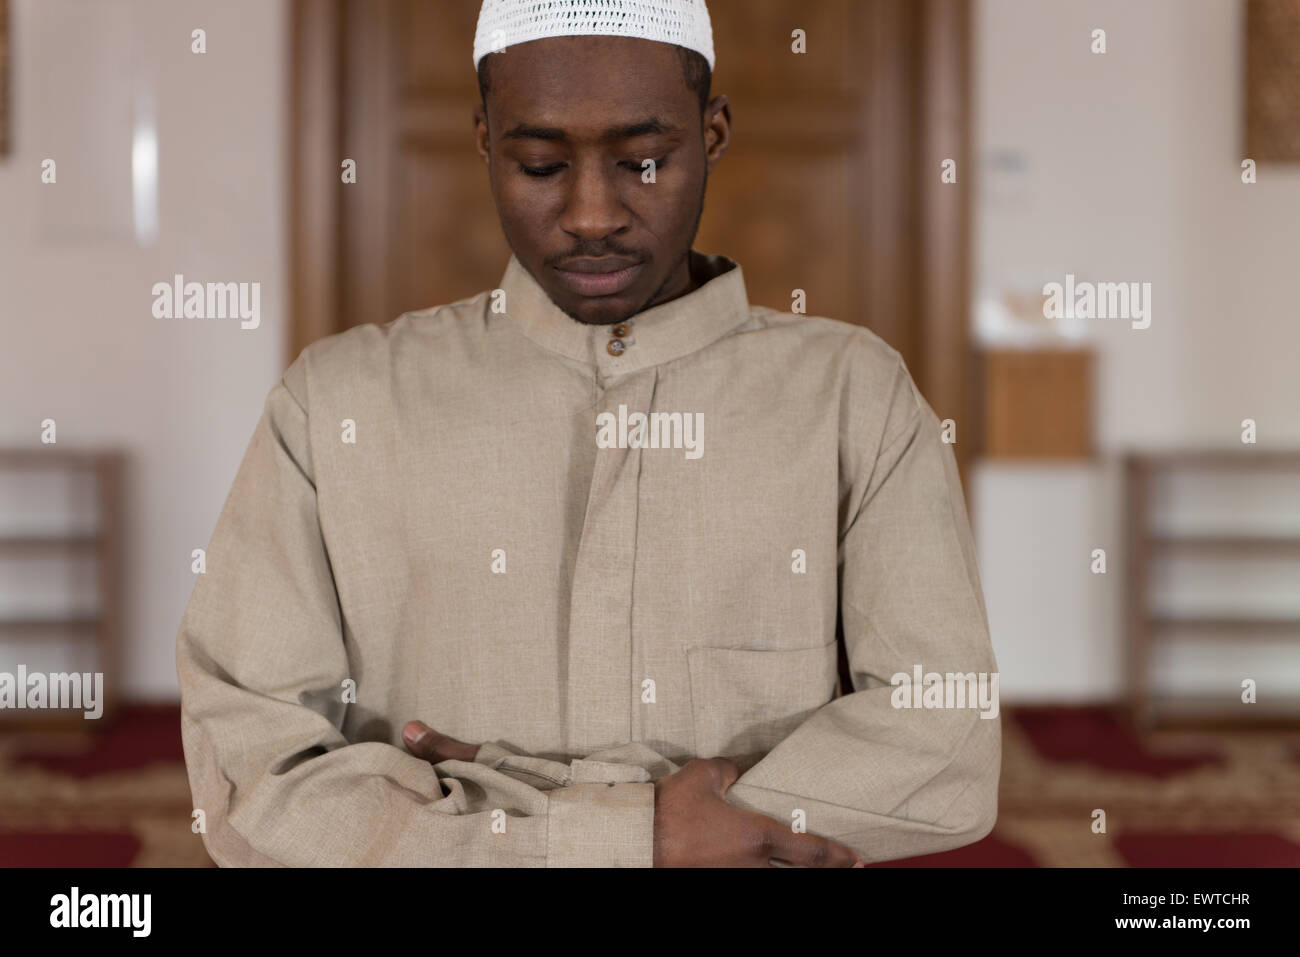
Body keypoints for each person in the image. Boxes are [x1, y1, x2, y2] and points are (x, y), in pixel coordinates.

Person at [177, 0, 1000, 867]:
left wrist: (499, 821)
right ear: (485, 139)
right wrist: (641, 836)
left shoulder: (853, 394)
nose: (593, 213)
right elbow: (251, 775)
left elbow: (944, 744)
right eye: (539, 165)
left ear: (712, 133)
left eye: (644, 161)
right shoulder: (336, 401)